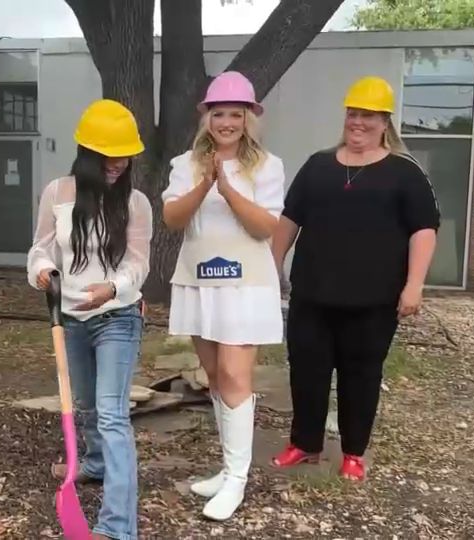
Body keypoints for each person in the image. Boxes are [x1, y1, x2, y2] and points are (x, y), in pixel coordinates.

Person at [270, 76, 440, 481]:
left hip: (373, 300)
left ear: (384, 122)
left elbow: (424, 230)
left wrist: (414, 285)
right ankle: (305, 444)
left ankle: (353, 452)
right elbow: (290, 218)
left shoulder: (404, 172)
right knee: (306, 371)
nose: (358, 122)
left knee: (360, 375)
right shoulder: (318, 165)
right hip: (312, 294)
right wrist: (271, 265)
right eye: (352, 113)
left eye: (368, 116)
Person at [161, 71, 286, 521]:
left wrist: (228, 189)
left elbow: (265, 227)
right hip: (200, 279)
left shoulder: (267, 166)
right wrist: (205, 182)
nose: (227, 122)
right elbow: (173, 219)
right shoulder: (185, 164)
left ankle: (237, 479)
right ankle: (227, 467)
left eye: (236, 113)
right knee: (215, 376)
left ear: (249, 118)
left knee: (235, 374)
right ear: (207, 118)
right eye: (219, 114)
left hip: (245, 283)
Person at [27, 99, 152, 540]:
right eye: (107, 156)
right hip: (71, 318)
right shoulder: (57, 193)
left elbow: (138, 263)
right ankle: (95, 464)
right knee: (86, 405)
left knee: (112, 415)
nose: (117, 164)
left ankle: (118, 526)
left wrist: (112, 288)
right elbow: (41, 247)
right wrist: (44, 271)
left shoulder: (135, 203)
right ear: (86, 153)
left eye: (124, 156)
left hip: (117, 316)